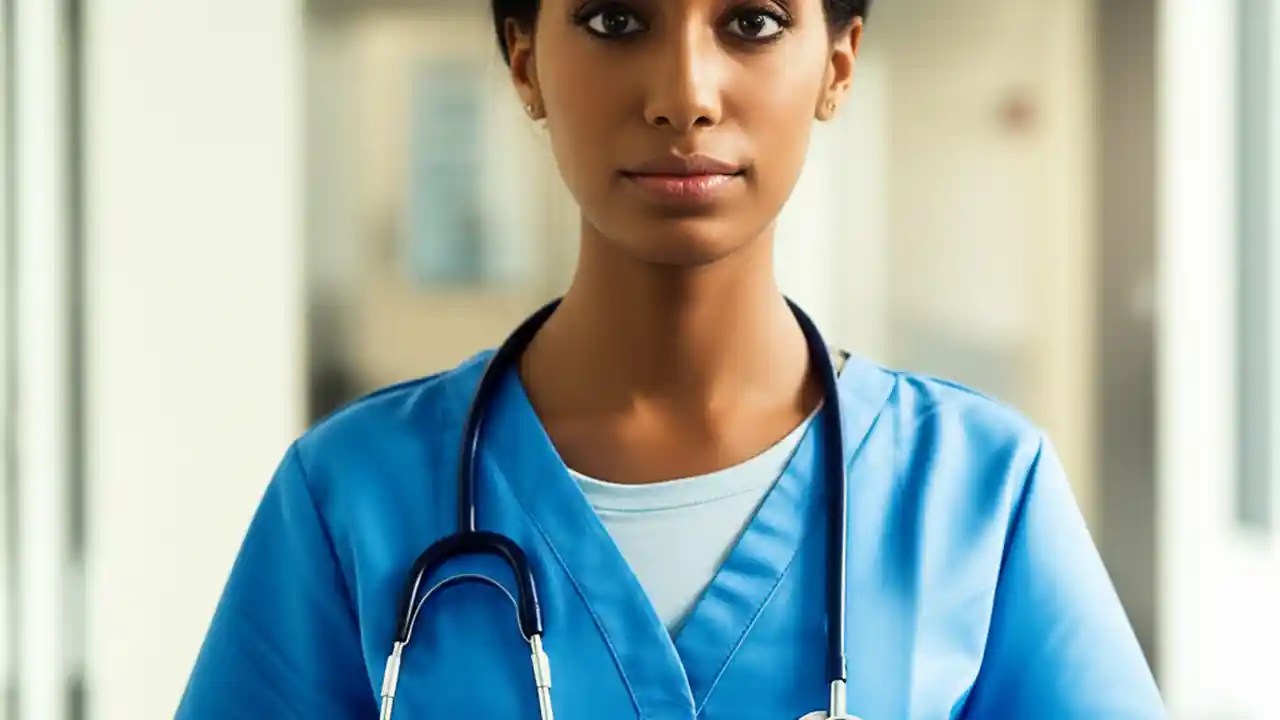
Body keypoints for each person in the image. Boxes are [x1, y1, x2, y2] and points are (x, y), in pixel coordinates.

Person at [177, 0, 1166, 717]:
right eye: (614, 22)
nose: (684, 94)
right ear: (522, 61)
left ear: (837, 62)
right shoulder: (352, 495)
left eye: (750, 22)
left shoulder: (978, 494)